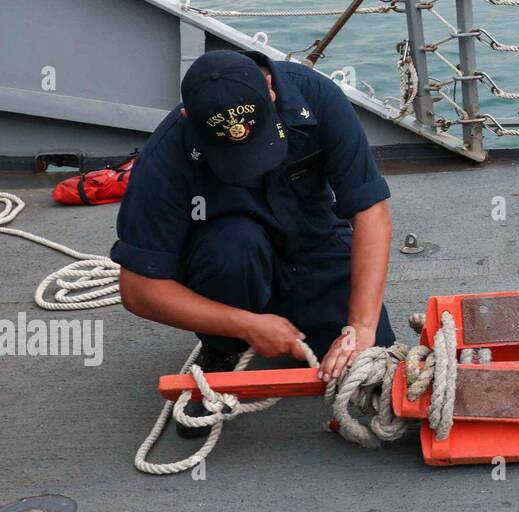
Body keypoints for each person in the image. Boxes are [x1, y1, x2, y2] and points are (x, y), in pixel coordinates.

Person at [112, 50, 397, 437]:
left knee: (373, 352)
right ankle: (223, 347)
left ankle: (318, 321)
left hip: (315, 245)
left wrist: (360, 328)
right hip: (233, 262)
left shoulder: (318, 98)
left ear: (270, 89)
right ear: (186, 119)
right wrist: (244, 325)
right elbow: (138, 288)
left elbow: (370, 213)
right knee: (232, 247)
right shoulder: (165, 154)